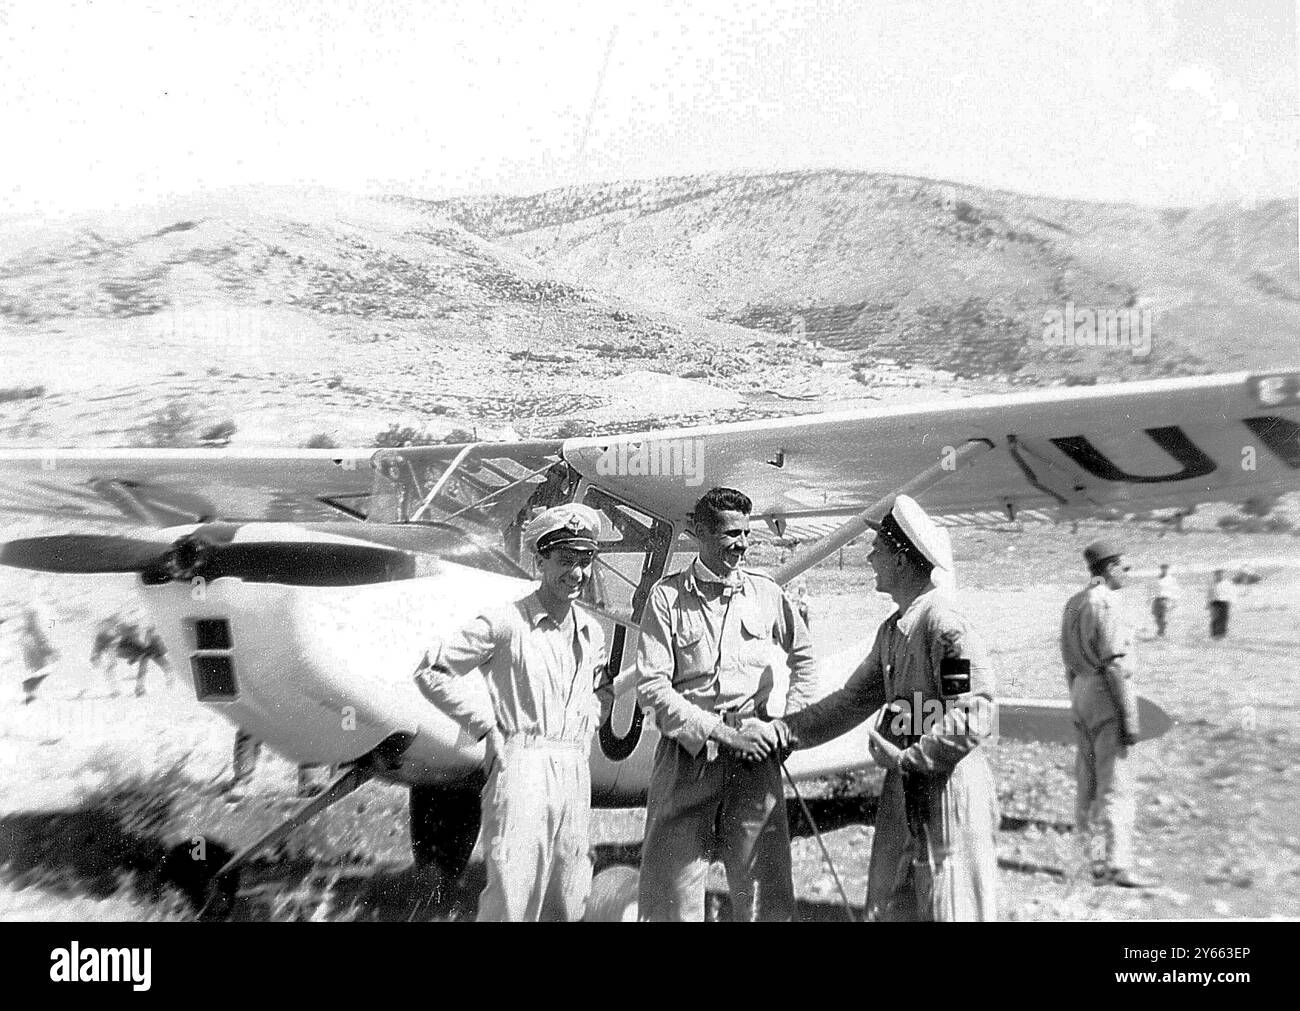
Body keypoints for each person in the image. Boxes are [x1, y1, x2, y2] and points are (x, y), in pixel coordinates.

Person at [773, 495, 999, 921]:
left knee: (951, 905)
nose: (868, 557)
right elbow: (851, 701)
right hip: (908, 782)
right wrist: (785, 732)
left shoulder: (943, 625)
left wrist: (914, 758)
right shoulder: (893, 630)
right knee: (892, 904)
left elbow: (973, 711)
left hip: (948, 786)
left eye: (877, 549)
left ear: (900, 559)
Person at [412, 503, 612, 921]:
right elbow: (433, 671)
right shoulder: (505, 622)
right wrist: (484, 726)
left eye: (584, 561)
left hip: (574, 767)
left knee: (570, 892)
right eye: (564, 561)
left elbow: (599, 690)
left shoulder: (591, 631)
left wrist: (589, 722)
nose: (576, 573)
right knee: (513, 894)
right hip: (522, 765)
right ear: (539, 561)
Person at [636, 486, 818, 922]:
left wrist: (787, 728)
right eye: (730, 534)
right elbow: (653, 687)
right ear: (699, 534)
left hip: (755, 761)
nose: (741, 545)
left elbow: (805, 659)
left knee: (763, 893)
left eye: (746, 534)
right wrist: (720, 733)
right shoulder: (666, 598)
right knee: (671, 896)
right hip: (688, 759)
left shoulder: (766, 592)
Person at [1060, 541, 1156, 888]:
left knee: (1087, 785)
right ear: (1111, 567)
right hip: (1108, 694)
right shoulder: (1107, 603)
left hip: (1082, 693)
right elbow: (1116, 666)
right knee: (1116, 785)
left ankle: (1086, 861)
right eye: (1124, 567)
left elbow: (1069, 665)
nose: (1126, 574)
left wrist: (1078, 699)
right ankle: (1118, 863)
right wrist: (1129, 718)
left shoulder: (1075, 602)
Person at [1149, 564, 1180, 638]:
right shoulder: (1157, 578)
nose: (1164, 570)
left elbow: (1175, 590)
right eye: (1162, 568)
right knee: (1156, 617)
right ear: (1161, 569)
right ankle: (1160, 631)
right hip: (1156, 600)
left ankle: (1162, 632)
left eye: (1165, 568)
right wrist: (1149, 599)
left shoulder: (1171, 579)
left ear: (1168, 569)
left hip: (1166, 600)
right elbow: (1152, 589)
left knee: (1164, 617)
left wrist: (1175, 601)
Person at [1207, 569, 1236, 639]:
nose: (1218, 576)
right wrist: (1208, 603)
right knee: (1215, 618)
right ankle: (1214, 634)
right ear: (1215, 575)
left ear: (1222, 575)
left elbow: (1231, 592)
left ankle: (1222, 633)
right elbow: (1209, 594)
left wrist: (1233, 602)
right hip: (1215, 602)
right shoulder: (1212, 584)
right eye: (1217, 574)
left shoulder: (1227, 583)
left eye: (1220, 574)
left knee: (1224, 617)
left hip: (1224, 602)